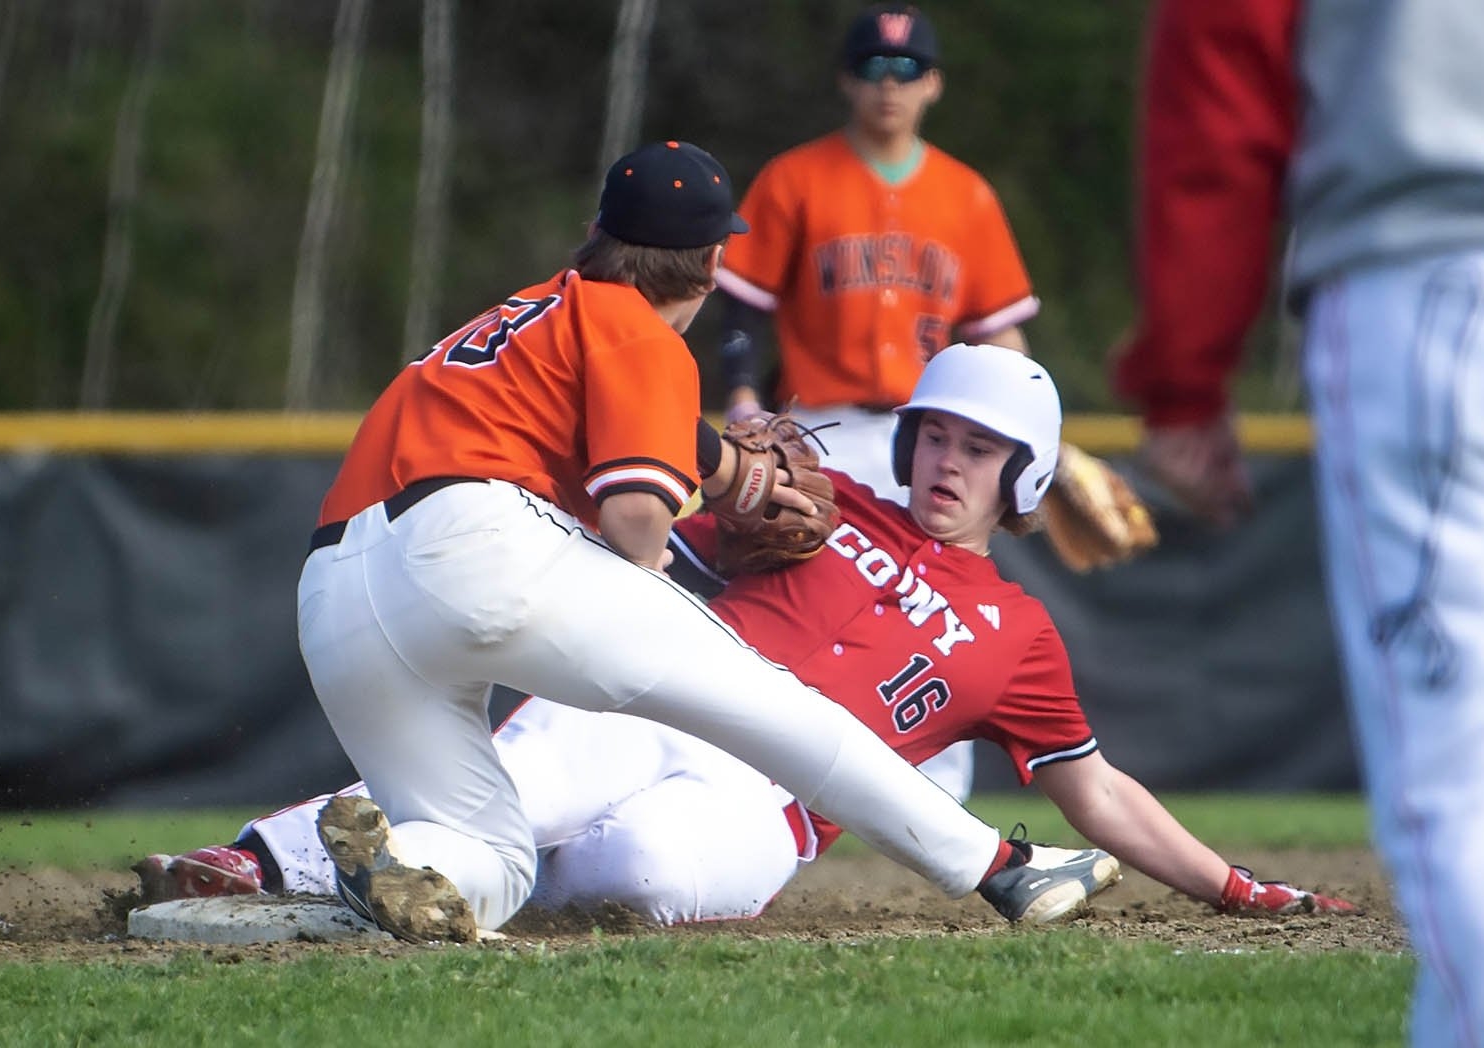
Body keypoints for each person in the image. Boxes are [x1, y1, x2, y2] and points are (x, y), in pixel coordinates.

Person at [140, 345, 1349, 927]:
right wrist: (726, 466)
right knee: (538, 772)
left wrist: (1233, 885)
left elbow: (1097, 794)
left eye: (977, 450)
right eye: (932, 433)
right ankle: (261, 858)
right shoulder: (827, 503)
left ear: (1022, 481)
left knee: (639, 879)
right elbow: (652, 517)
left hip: (768, 810)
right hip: (660, 700)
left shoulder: (1021, 634)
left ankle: (411, 883)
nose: (943, 460)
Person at [284, 140, 1111, 941]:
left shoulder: (531, 309)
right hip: (469, 543)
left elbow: (607, 421)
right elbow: (636, 520)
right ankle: (1000, 866)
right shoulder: (637, 328)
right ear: (713, 263)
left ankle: (264, 871)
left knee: (489, 861)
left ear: (599, 232)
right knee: (772, 700)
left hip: (334, 597)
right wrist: (660, 555)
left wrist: (721, 473)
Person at [1111, 2, 1484, 1044]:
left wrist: (1185, 372)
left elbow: (1226, 60)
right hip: (1445, 264)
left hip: (1441, 271)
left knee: (1467, 762)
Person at [714, 3, 1038, 801]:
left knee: (942, 607)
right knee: (793, 596)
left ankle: (936, 796)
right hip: (820, 433)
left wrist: (1036, 432)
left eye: (903, 71)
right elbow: (742, 307)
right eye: (870, 69)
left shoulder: (966, 196)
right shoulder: (795, 177)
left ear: (931, 84)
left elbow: (1001, 335)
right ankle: (771, 779)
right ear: (843, 81)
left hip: (933, 438)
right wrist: (744, 398)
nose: (885, 86)